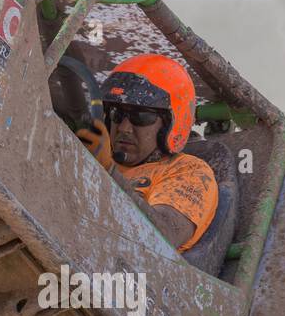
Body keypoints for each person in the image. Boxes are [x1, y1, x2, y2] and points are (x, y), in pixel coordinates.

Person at [75, 54, 217, 254]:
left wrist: (109, 170)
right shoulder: (91, 156)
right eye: (118, 114)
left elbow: (164, 235)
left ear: (170, 124)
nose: (124, 127)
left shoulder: (190, 171)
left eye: (140, 117)